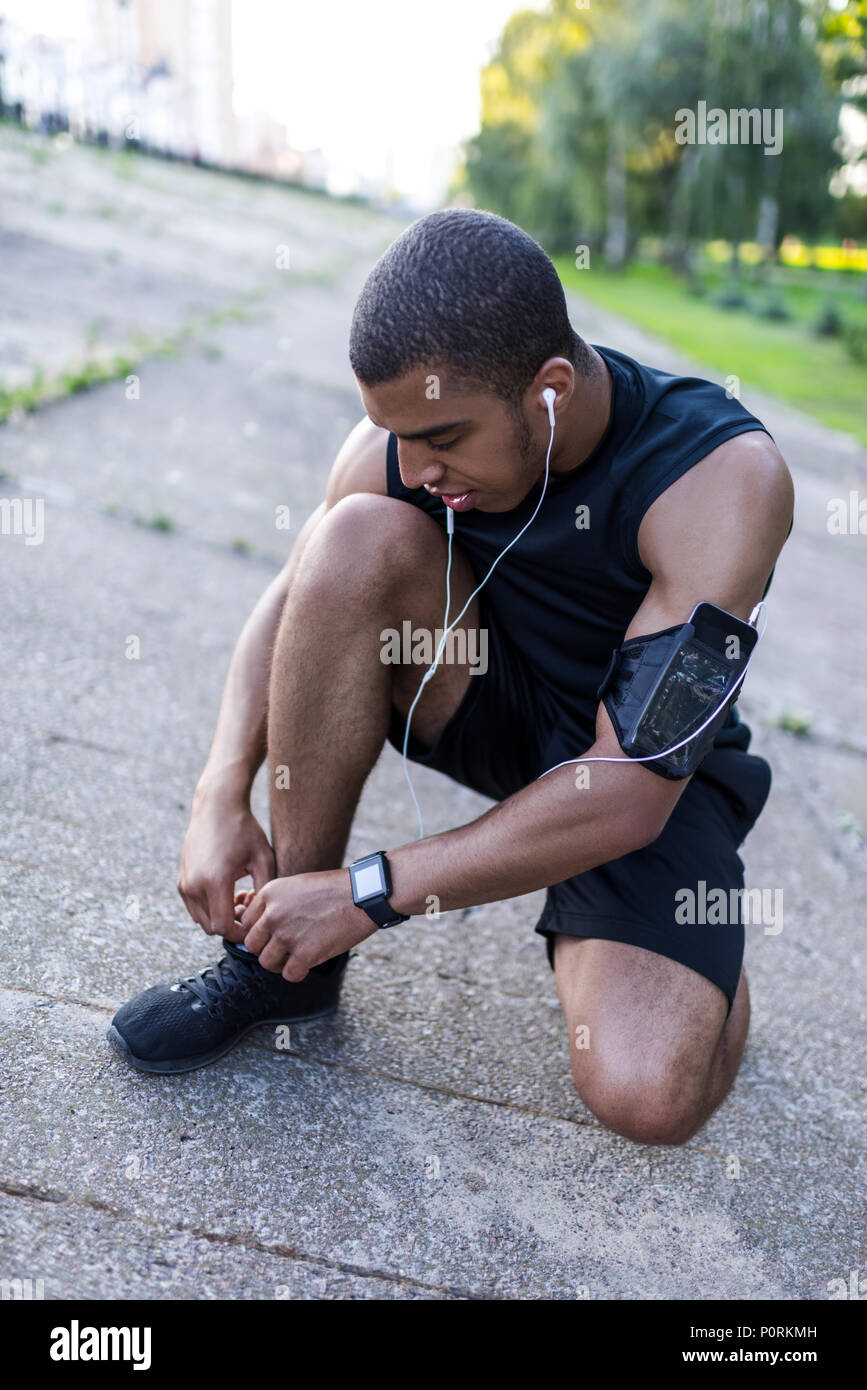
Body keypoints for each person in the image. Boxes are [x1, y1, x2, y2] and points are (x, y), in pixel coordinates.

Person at [109, 209, 793, 1146]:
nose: (418, 468)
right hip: (482, 695)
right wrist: (218, 791)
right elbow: (299, 594)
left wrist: (370, 891)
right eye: (399, 436)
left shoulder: (721, 479)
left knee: (647, 1097)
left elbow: (630, 790)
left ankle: (704, 979)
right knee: (350, 534)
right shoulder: (401, 444)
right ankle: (283, 965)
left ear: (549, 391)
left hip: (636, 773)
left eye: (443, 439)